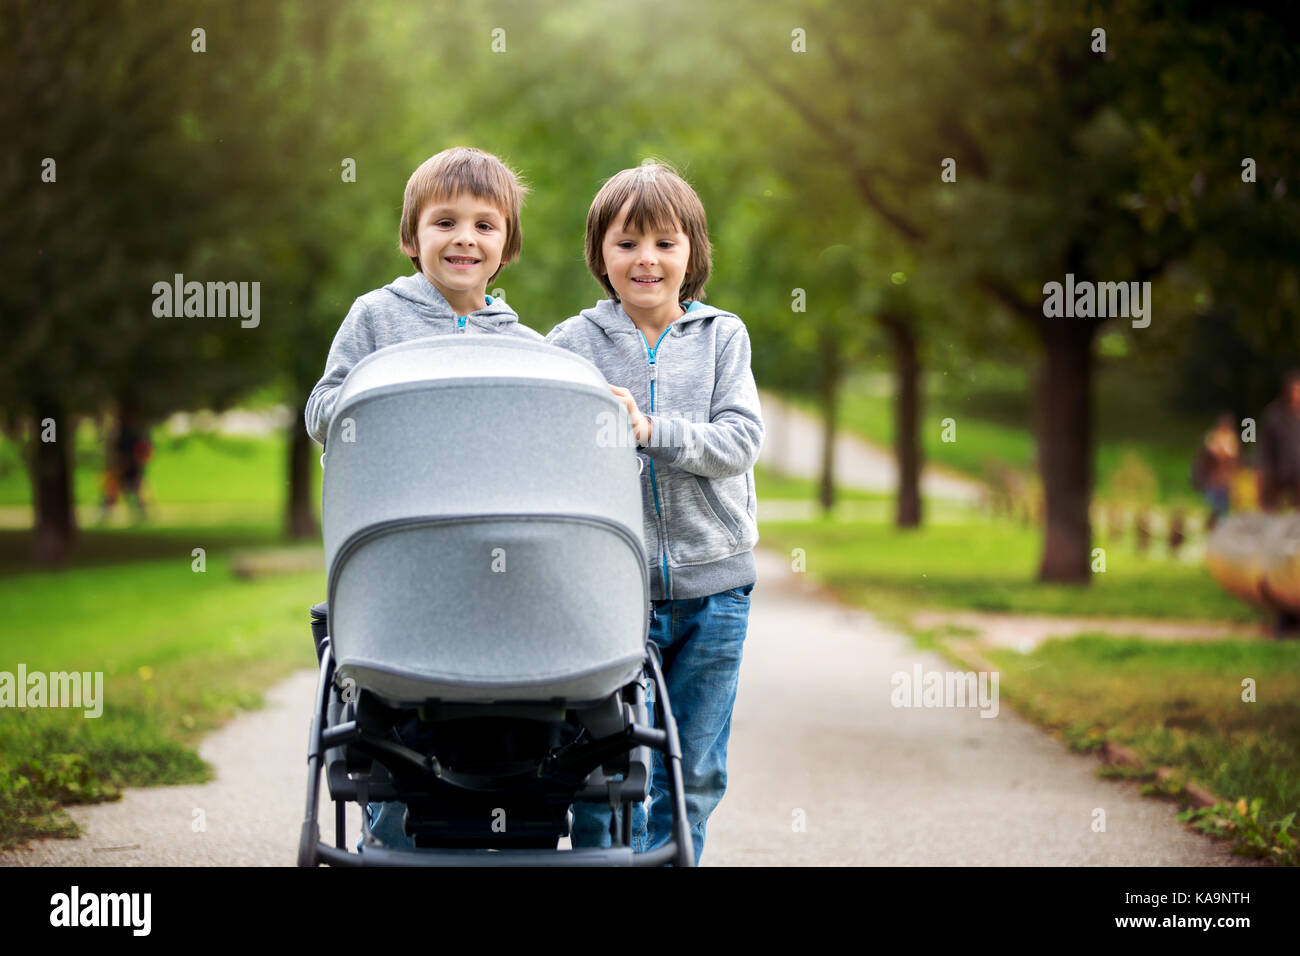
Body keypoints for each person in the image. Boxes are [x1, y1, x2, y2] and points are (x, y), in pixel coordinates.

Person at [303, 146, 542, 848]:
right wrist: (379, 395)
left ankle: (510, 808)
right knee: (400, 705)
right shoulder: (377, 318)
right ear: (413, 239)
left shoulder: (523, 344)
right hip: (401, 545)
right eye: (444, 222)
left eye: (485, 225)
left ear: (507, 245)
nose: (464, 237)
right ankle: (393, 827)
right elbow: (322, 408)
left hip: (492, 558)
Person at [546, 161, 764, 865]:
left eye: (665, 243)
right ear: (599, 256)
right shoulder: (567, 345)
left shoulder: (722, 337)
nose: (647, 259)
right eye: (627, 242)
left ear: (692, 254)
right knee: (604, 778)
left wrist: (651, 431)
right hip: (609, 595)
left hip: (714, 590)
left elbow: (739, 442)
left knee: (693, 772)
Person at [99, 404, 152, 522]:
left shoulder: (130, 432)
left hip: (129, 465)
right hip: (125, 464)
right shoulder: (126, 431)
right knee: (114, 491)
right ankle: (105, 514)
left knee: (132, 490)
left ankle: (141, 515)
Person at [1258, 370, 1300, 512]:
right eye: (1294, 391)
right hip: (1278, 472)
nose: (1297, 395)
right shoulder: (1274, 415)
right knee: (1272, 512)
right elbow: (1265, 448)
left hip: (1298, 474)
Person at [1193, 412, 1239, 529]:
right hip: (1213, 481)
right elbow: (1210, 456)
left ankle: (1221, 531)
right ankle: (1211, 529)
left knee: (1225, 510)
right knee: (1213, 508)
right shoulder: (1211, 438)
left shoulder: (1231, 439)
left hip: (1226, 481)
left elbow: (1233, 457)